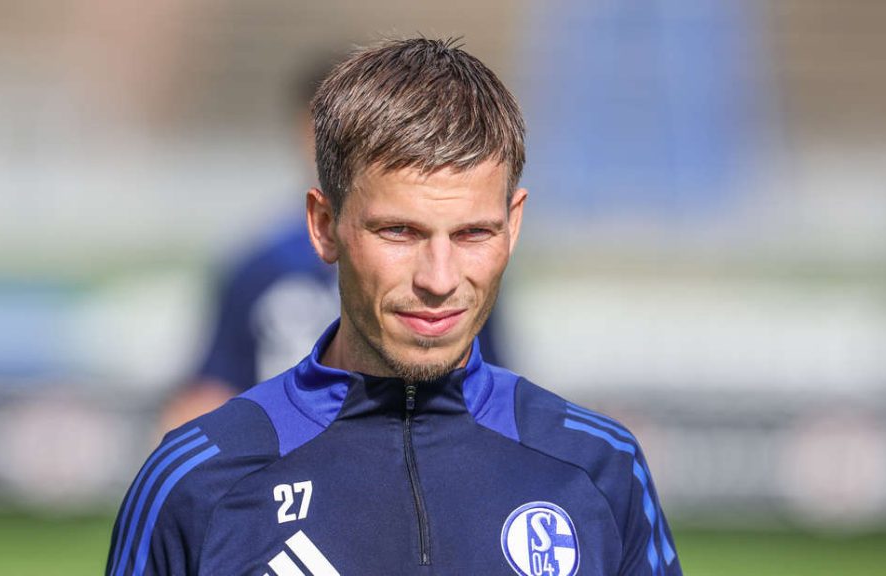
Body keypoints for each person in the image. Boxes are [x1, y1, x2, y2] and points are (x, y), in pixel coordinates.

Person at [107, 37, 681, 576]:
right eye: (400, 232)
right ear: (325, 225)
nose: (439, 279)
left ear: (514, 225)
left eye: (473, 234)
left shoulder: (599, 468)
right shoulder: (199, 483)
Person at [160, 52, 505, 431]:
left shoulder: (452, 266)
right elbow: (213, 387)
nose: (436, 278)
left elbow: (493, 383)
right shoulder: (260, 266)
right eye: (396, 232)